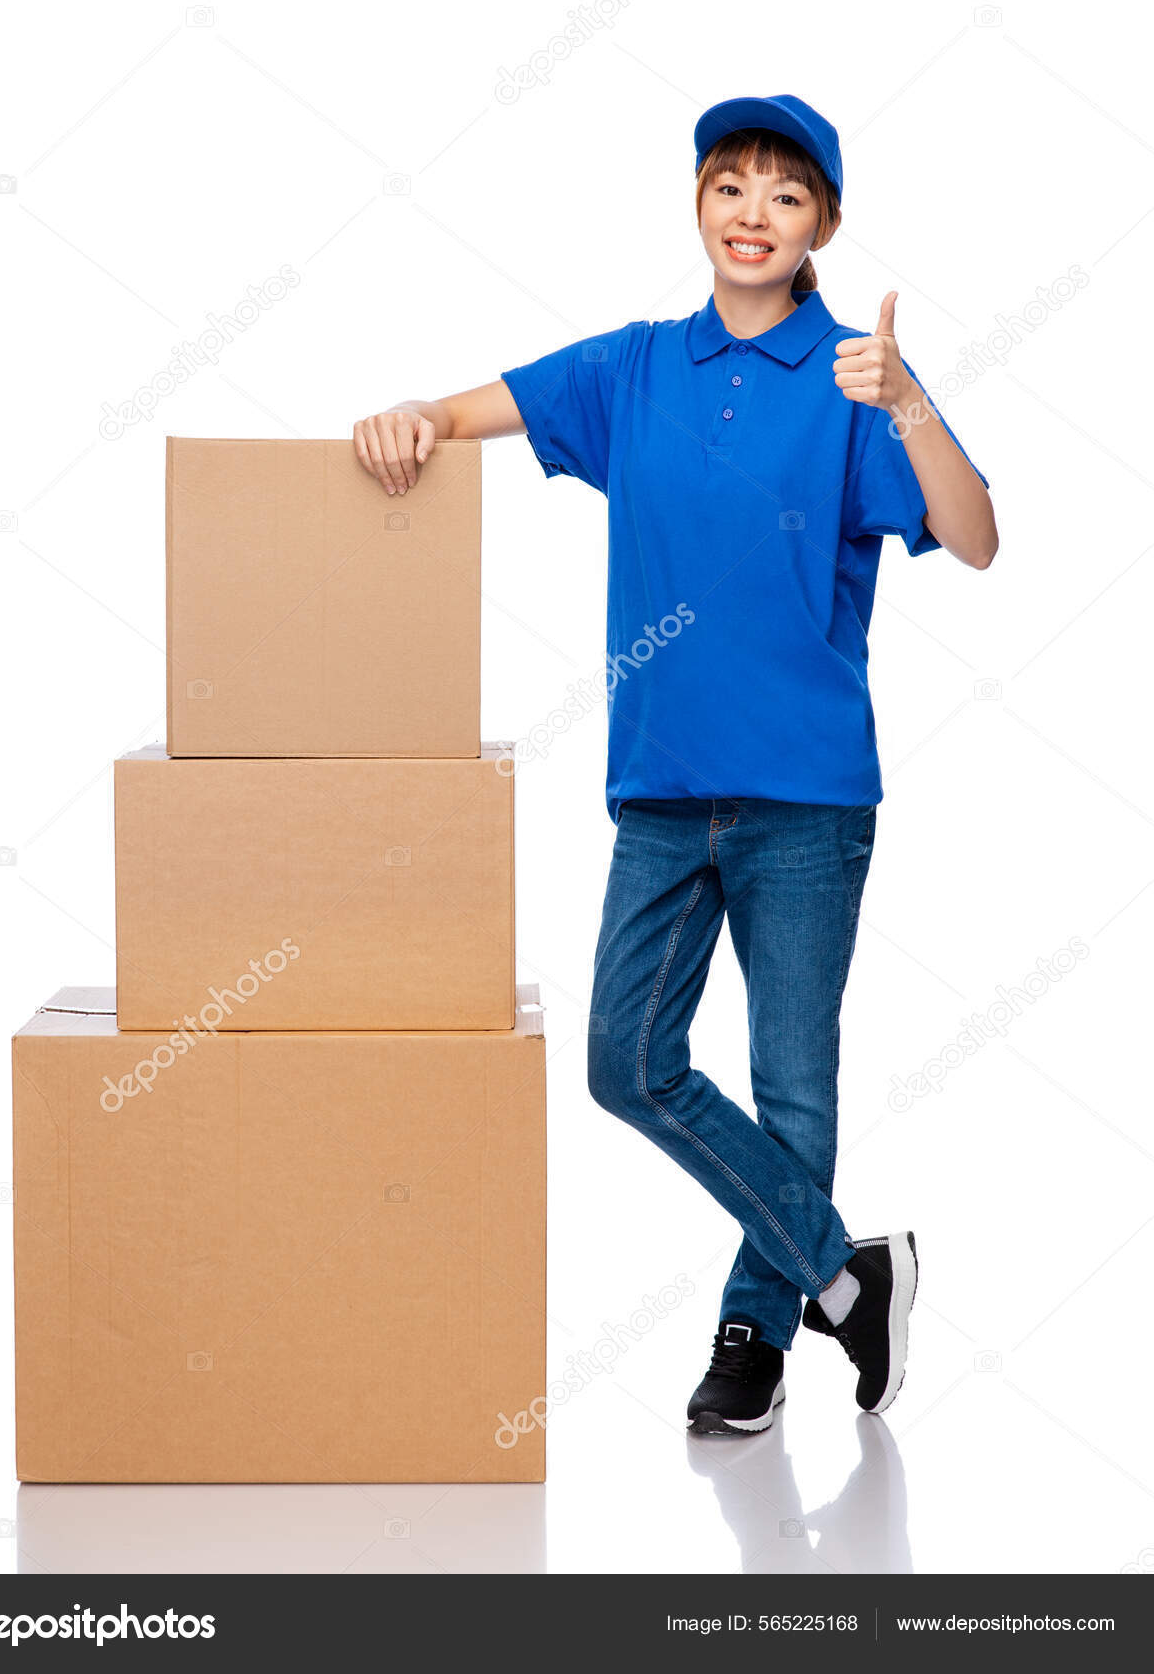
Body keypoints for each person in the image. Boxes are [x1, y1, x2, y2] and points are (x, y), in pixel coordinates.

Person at [353, 94, 996, 1437]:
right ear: (698, 208)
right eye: (729, 184)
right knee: (625, 1060)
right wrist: (410, 416)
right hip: (658, 788)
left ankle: (753, 1338)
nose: (753, 211)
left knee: (792, 1086)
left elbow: (976, 537)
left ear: (822, 223)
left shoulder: (850, 381)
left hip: (809, 799)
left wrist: (917, 395)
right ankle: (847, 1274)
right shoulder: (632, 368)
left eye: (783, 192)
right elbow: (480, 409)